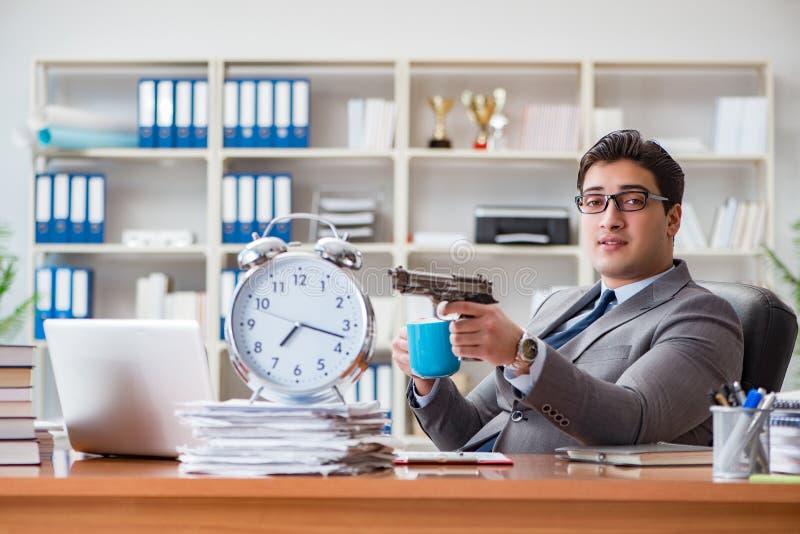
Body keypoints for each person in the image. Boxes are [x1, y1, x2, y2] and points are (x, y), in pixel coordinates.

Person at [391, 129, 744, 453]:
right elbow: (465, 435)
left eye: (632, 200)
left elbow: (633, 421)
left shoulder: (705, 317)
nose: (609, 218)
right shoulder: (559, 304)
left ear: (673, 219)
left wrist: (520, 353)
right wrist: (426, 378)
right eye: (594, 202)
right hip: (487, 494)